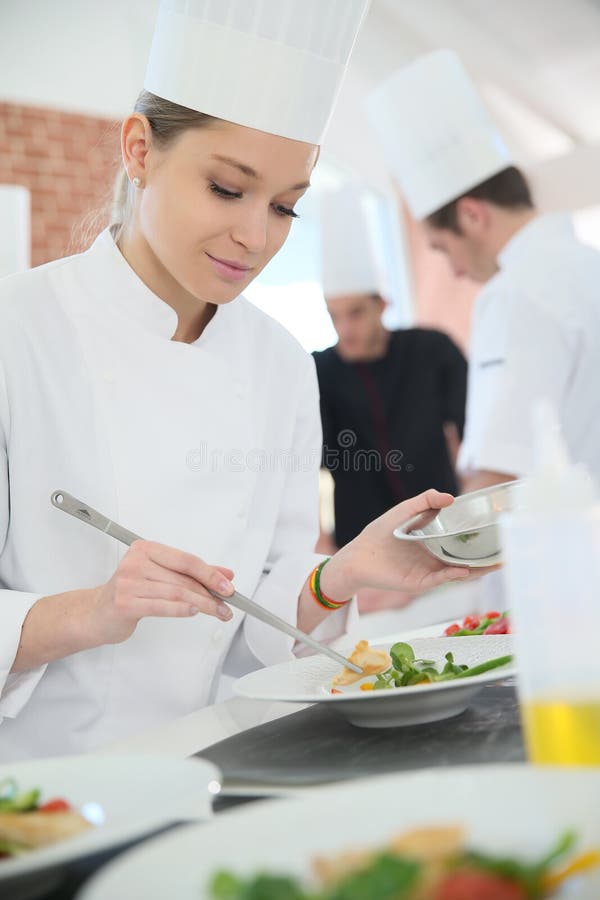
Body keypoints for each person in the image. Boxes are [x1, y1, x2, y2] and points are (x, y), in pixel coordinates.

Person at [0, 3, 485, 762]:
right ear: (139, 149)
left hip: (214, 767)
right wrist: (93, 610)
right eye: (228, 188)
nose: (256, 237)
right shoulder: (18, 330)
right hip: (38, 788)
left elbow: (257, 618)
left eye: (286, 206)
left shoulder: (281, 363)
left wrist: (340, 574)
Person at [367, 49, 600, 494]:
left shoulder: (514, 292)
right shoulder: (589, 265)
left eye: (443, 248)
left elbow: (498, 477)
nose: (455, 271)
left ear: (472, 216)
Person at [314, 185, 467, 550]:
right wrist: (323, 547)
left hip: (442, 528)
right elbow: (302, 469)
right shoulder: (317, 371)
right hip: (360, 546)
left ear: (382, 304)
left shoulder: (432, 349)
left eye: (355, 313)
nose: (344, 329)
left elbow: (472, 435)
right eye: (334, 316)